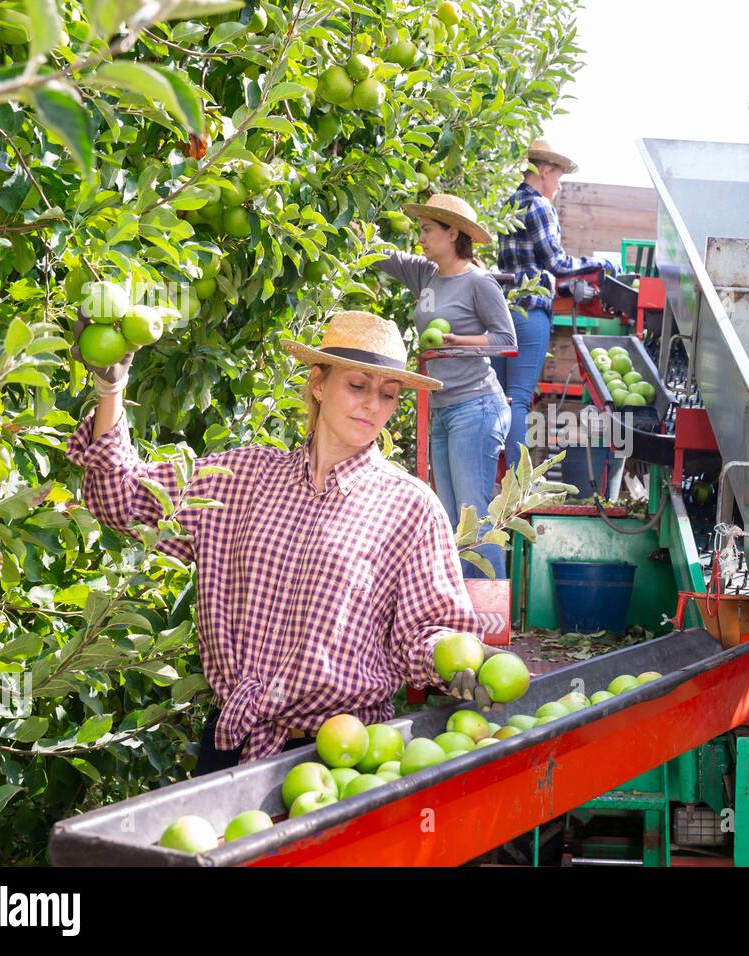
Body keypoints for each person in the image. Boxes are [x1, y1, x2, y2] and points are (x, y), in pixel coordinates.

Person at [65, 310, 497, 773]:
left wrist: (459, 660)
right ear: (318, 383)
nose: (373, 405)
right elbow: (124, 501)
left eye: (388, 394)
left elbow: (424, 631)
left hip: (342, 758)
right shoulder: (242, 477)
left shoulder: (409, 506)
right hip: (232, 745)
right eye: (357, 385)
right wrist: (111, 390)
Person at [375, 193, 516, 580]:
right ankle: (463, 619)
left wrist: (459, 342)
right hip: (441, 407)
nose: (420, 237)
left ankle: (490, 619)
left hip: (475, 407)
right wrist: (356, 229)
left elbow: (507, 340)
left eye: (427, 230)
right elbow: (385, 257)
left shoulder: (478, 282)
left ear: (452, 232)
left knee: (475, 520)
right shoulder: (426, 275)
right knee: (452, 522)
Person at [495, 138, 617, 469]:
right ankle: (517, 482)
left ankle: (498, 473)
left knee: (502, 399)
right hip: (529, 309)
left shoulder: (509, 205)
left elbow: (519, 263)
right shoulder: (539, 206)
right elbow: (556, 263)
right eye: (559, 177)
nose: (560, 187)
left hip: (502, 311)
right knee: (520, 399)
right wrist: (601, 266)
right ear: (545, 171)